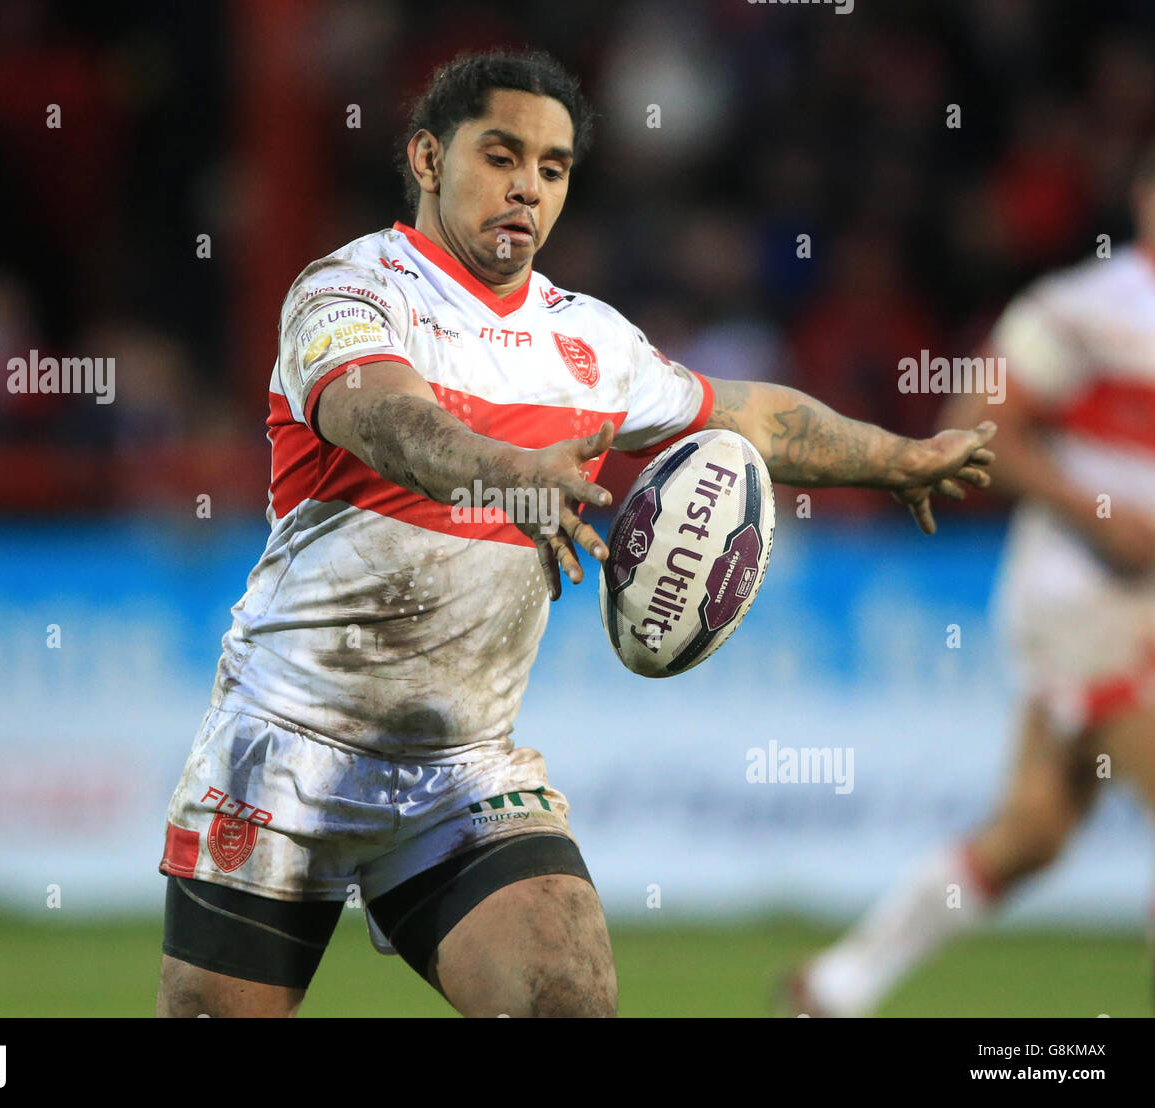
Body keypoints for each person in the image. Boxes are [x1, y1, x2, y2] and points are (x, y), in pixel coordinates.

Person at [156, 48, 995, 1018]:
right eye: (501, 155)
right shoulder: (348, 291)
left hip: (459, 768)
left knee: (567, 998)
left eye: (552, 169)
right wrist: (510, 472)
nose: (527, 187)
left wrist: (898, 459)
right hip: (284, 739)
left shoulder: (590, 343)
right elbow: (383, 417)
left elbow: (747, 417)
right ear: (428, 159)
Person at [790, 146, 1155, 1018]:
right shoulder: (1081, 310)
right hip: (1087, 601)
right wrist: (1096, 509)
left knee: (1032, 832)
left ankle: (839, 984)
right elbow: (971, 428)